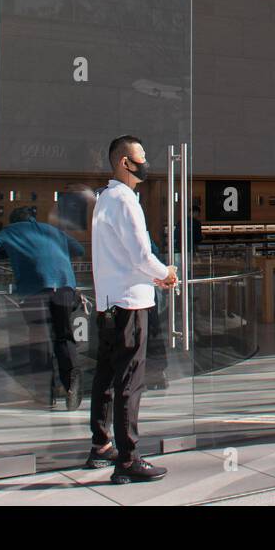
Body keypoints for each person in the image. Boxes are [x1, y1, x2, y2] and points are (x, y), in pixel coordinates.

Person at [87, 135, 178, 484]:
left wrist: (152, 277)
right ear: (125, 163)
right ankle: (128, 459)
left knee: (106, 377)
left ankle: (101, 445)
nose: (146, 162)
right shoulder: (125, 201)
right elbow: (141, 255)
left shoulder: (104, 199)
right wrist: (165, 274)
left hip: (109, 303)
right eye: (141, 157)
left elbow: (123, 258)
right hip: (129, 305)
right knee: (129, 380)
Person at [0, 205, 86, 410]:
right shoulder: (52, 230)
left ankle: (44, 394)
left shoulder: (10, 231)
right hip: (65, 288)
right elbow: (79, 249)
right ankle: (71, 380)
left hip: (35, 289)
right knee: (64, 337)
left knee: (39, 338)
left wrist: (11, 251)